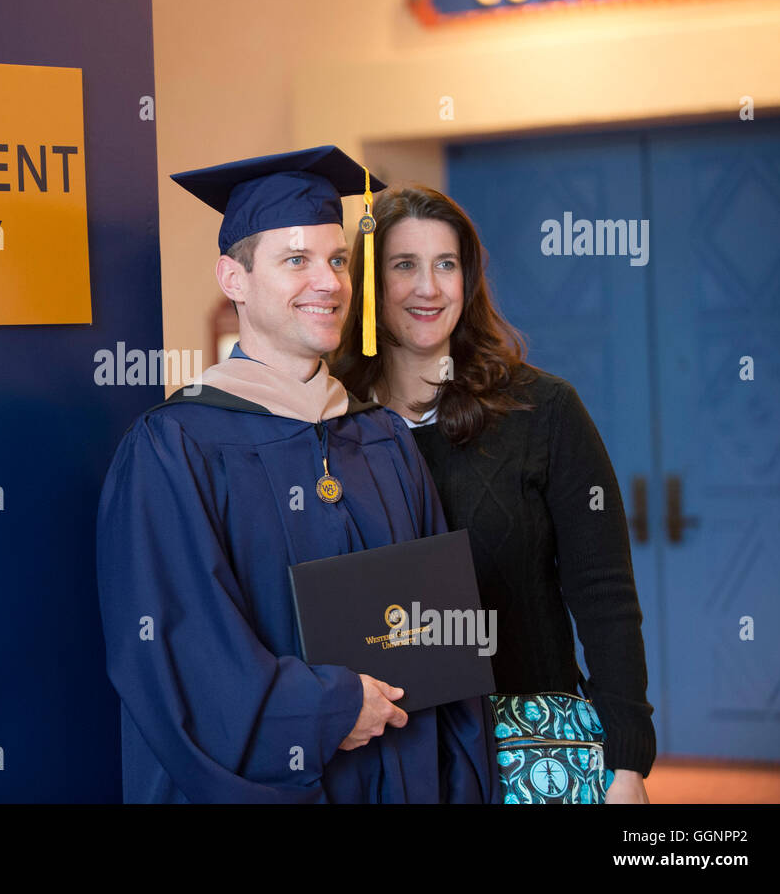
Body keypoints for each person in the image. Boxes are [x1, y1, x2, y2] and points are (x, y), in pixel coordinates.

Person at [95, 147, 499, 803]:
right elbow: (180, 658)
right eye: (295, 260)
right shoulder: (173, 450)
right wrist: (332, 706)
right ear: (234, 277)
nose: (329, 282)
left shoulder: (381, 438)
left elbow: (442, 642)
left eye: (337, 259)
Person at [330, 185, 655, 804]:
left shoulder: (543, 410)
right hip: (388, 751)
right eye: (404, 265)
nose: (429, 287)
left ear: (468, 279)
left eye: (446, 265)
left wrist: (628, 762)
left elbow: (605, 593)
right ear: (372, 285)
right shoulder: (331, 424)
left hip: (530, 750)